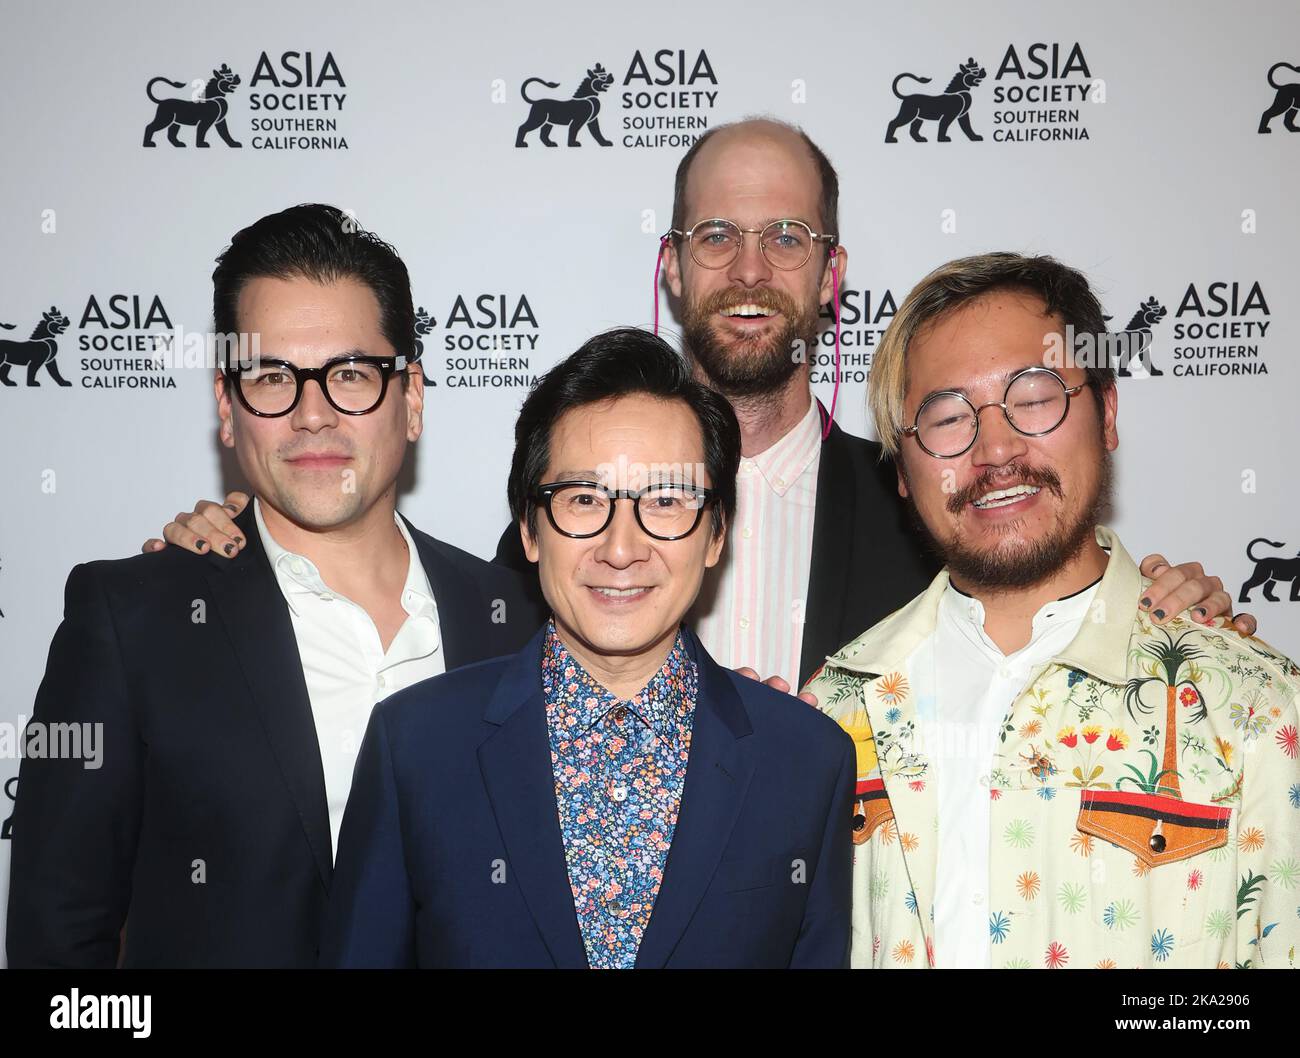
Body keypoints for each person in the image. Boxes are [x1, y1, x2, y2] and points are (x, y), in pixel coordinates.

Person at [148, 119, 1255, 693]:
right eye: (715, 236)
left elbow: (1050, 595)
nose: (749, 266)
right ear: (672, 269)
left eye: (788, 237)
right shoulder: (553, 517)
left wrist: (1160, 597)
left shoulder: (931, 496)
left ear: (832, 275)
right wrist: (239, 544)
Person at [6, 204, 542, 968]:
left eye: (351, 374)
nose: (313, 414)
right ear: (228, 407)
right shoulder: (132, 625)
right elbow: (58, 960)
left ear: (412, 396)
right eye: (271, 377)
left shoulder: (520, 622)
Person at [804, 252, 1300, 969]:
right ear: (903, 471)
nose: (996, 450)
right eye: (947, 418)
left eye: (1034, 398)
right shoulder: (833, 714)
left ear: (1107, 413)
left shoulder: (1257, 709)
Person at [320, 329, 855, 968]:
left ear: (716, 534)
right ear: (529, 528)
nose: (621, 548)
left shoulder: (807, 762)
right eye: (582, 501)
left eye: (665, 500)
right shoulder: (416, 745)